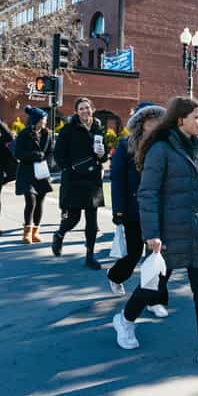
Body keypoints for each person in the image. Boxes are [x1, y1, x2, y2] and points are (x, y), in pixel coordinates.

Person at [112, 97, 198, 371]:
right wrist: (152, 234)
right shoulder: (160, 149)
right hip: (169, 234)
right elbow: (147, 193)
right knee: (152, 286)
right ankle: (125, 320)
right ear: (181, 119)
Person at [107, 102, 170, 317]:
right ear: (142, 123)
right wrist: (119, 212)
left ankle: (155, 300)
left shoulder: (164, 146)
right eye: (151, 120)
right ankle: (115, 276)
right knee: (133, 254)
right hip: (134, 209)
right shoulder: (126, 145)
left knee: (158, 255)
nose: (156, 124)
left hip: (158, 209)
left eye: (159, 120)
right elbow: (117, 180)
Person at [51, 97, 108, 269]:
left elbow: (103, 157)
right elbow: (58, 154)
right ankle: (59, 234)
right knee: (73, 218)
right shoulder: (69, 129)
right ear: (76, 112)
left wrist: (102, 154)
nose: (85, 111)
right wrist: (69, 169)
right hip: (74, 179)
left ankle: (90, 256)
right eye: (81, 108)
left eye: (87, 108)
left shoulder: (98, 129)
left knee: (92, 221)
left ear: (92, 109)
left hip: (93, 179)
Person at [15, 106, 53, 244]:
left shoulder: (47, 134)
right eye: (43, 119)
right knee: (31, 201)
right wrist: (34, 155)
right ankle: (26, 232)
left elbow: (50, 152)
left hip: (42, 172)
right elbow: (17, 153)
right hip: (27, 172)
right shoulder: (24, 134)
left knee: (40, 202)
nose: (45, 121)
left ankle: (35, 232)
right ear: (36, 120)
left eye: (45, 119)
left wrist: (46, 163)